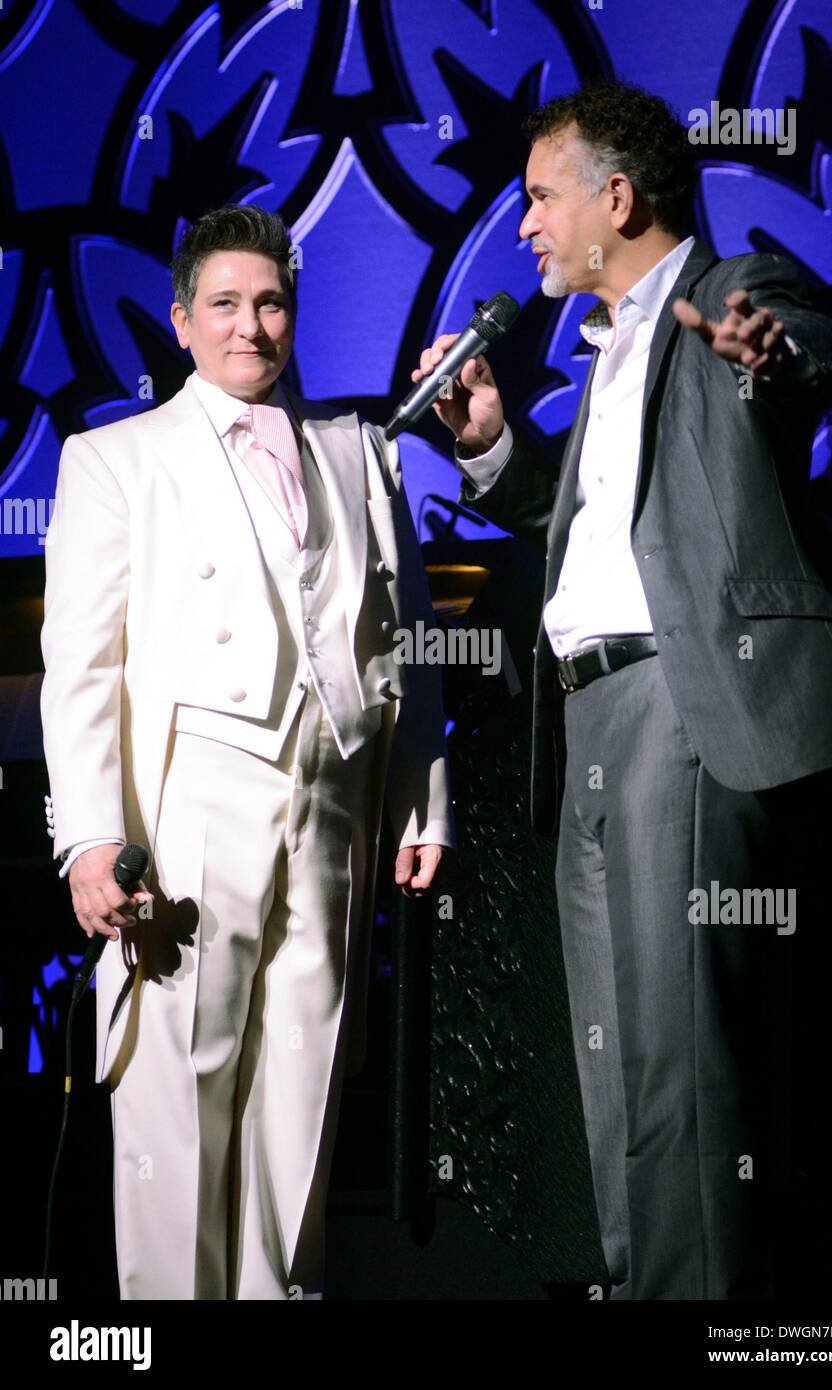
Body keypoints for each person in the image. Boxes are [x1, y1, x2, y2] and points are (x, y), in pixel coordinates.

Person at [413, 82, 832, 1299]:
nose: (523, 226)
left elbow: (816, 352)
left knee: (683, 1068)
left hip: (683, 704)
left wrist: (766, 355)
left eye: (537, 197)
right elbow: (589, 532)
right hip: (583, 721)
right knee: (615, 1065)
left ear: (612, 199)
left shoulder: (726, 298)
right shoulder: (606, 356)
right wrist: (489, 443)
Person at [41, 204, 455, 1300]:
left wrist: (423, 793)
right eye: (224, 304)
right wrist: (89, 837)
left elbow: (403, 638)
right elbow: (80, 668)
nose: (250, 327)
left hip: (330, 807)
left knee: (300, 1092)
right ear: (181, 321)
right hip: (190, 808)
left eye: (270, 302)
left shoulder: (358, 452)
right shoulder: (112, 459)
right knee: (182, 1091)